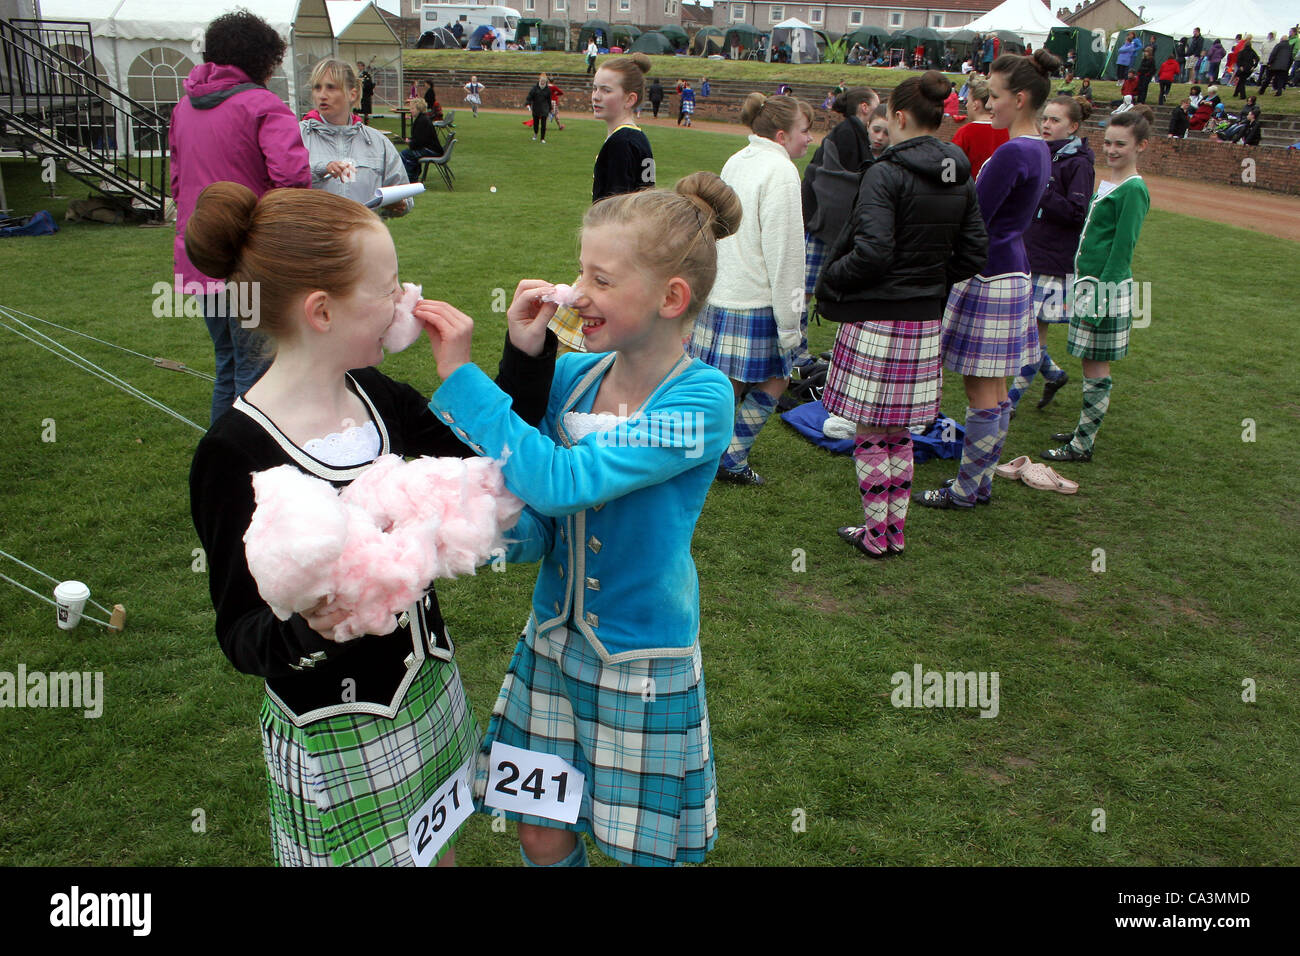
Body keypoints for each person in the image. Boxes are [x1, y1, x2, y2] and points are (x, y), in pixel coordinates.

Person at [187, 182, 556, 867]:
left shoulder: (375, 395)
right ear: (321, 311)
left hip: (427, 688)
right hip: (337, 733)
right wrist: (307, 625)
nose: (408, 301)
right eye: (388, 288)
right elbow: (240, 637)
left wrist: (523, 354)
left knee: (439, 853)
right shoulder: (234, 454)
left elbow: (500, 463)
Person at [419, 173, 742, 867]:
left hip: (640, 662)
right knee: (539, 828)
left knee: (638, 850)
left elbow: (567, 482)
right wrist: (525, 358)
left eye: (600, 278)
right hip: (551, 645)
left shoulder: (702, 401)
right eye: (580, 272)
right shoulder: (576, 376)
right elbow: (527, 489)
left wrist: (460, 377)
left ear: (670, 298)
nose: (578, 291)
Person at [814, 72, 986, 557]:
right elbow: (974, 253)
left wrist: (831, 281)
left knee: (872, 432)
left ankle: (876, 535)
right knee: (900, 435)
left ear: (901, 117)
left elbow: (872, 252)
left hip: (877, 317)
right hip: (923, 318)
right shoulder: (960, 170)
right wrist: (930, 279)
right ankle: (893, 533)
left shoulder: (885, 171)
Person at [920, 50, 1057, 510]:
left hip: (988, 273)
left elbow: (973, 219)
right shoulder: (1038, 147)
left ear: (1019, 99)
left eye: (994, 96)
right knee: (995, 391)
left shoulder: (1014, 150)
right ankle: (979, 483)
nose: (987, 103)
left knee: (982, 391)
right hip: (1012, 270)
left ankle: (965, 488)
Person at [168, 10, 310, 426]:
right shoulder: (263, 105)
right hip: (248, 259)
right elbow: (292, 178)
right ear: (261, 58)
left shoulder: (183, 109)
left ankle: (225, 454)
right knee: (256, 366)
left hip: (201, 254)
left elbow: (178, 183)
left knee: (229, 362)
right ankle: (246, 461)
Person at [687, 93, 813, 485]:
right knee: (773, 377)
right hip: (755, 297)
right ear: (781, 134)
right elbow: (786, 252)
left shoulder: (736, 159)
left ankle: (701, 456)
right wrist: (792, 322)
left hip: (721, 290)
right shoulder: (782, 170)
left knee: (721, 388)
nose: (810, 139)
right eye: (805, 131)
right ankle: (727, 458)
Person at [1042, 108, 1150, 464]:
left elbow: (1122, 252)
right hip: (1090, 286)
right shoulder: (1113, 184)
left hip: (1104, 290)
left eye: (1121, 144)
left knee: (1096, 368)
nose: (1112, 149)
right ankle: (1081, 433)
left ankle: (1083, 444)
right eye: (1108, 142)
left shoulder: (1133, 189)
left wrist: (1099, 300)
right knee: (1091, 363)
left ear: (1141, 146)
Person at [545, 55, 656, 354]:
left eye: (606, 90)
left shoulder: (621, 143)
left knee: (570, 344)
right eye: (595, 88)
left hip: (614, 258)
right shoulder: (636, 139)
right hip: (627, 255)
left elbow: (616, 212)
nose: (596, 96)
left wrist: (597, 267)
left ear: (630, 98)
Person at [1009, 95, 1095, 414]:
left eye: (1055, 120)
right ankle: (1054, 375)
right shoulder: (1043, 153)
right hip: (1029, 252)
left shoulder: (1079, 162)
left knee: (1031, 333)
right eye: (1045, 118)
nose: (1046, 124)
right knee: (1026, 330)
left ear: (1072, 127)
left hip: (1053, 259)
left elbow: (1077, 212)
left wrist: (1043, 190)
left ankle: (1009, 402)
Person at [802, 87, 879, 321]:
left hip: (822, 223)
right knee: (803, 292)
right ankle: (796, 347)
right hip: (821, 226)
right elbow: (836, 184)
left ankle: (798, 346)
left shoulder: (854, 133)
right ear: (864, 107)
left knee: (806, 291)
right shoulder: (847, 134)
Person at [300, 59, 412, 217]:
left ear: (352, 94)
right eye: (317, 88)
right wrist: (321, 170)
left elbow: (404, 194)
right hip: (314, 239)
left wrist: (399, 204)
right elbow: (282, 186)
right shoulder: (297, 137)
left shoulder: (378, 142)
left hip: (363, 238)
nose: (322, 95)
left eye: (331, 87)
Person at [950, 78, 1008, 179]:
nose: (966, 105)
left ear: (976, 105)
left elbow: (950, 171)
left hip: (971, 190)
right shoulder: (1007, 129)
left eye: (968, 101)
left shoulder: (966, 132)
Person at [400, 97, 444, 182]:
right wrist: (411, 141)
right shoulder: (423, 119)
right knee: (408, 154)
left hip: (432, 150)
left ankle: (410, 178)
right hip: (432, 148)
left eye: (412, 108)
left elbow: (419, 142)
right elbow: (419, 139)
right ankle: (412, 176)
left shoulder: (422, 121)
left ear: (419, 109)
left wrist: (410, 143)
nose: (410, 110)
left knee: (404, 154)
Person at [525, 72, 551, 143]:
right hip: (536, 107)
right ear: (539, 81)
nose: (542, 82)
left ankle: (542, 138)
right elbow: (529, 97)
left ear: (545, 81)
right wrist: (528, 103)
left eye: (544, 81)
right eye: (541, 81)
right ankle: (535, 133)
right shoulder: (534, 88)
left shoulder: (548, 90)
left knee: (543, 124)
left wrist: (550, 109)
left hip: (544, 108)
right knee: (536, 123)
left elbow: (549, 100)